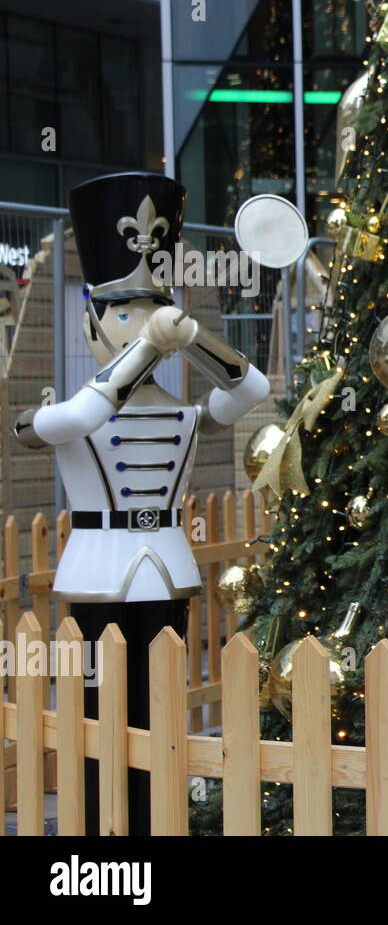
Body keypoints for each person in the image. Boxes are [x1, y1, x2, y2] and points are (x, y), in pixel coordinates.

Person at [13, 171, 269, 834]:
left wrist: (198, 342)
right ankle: (105, 834)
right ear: (93, 320)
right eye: (126, 313)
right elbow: (70, 421)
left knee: (161, 714)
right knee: (100, 715)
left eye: (154, 311)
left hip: (168, 571)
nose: (145, 326)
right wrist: (145, 350)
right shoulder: (71, 408)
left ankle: (158, 827)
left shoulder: (184, 412)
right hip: (97, 577)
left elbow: (251, 391)